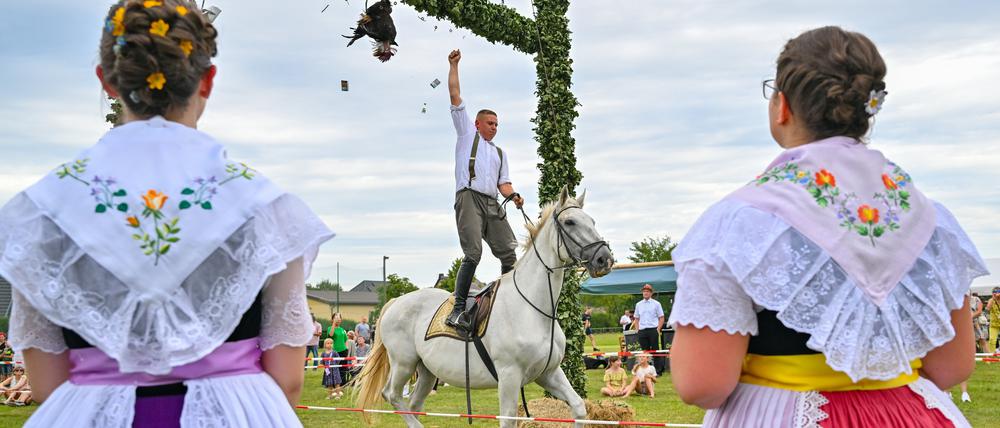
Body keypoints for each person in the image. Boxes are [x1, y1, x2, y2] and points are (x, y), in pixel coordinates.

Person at [0, 2, 335, 425]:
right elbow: (287, 379)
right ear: (207, 80)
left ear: (107, 80)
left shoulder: (42, 211)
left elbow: (47, 383)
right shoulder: (264, 206)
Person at [667, 26, 986, 427]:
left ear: (782, 106)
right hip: (910, 413)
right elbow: (951, 367)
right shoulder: (933, 221)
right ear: (866, 112)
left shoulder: (737, 225)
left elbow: (703, 384)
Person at [444, 49, 525, 331]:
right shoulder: (467, 134)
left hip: (492, 202)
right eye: (491, 123)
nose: (495, 127)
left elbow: (504, 183)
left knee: (509, 253)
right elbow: (455, 95)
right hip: (468, 197)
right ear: (478, 123)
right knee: (473, 254)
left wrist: (513, 195)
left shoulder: (500, 153)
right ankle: (457, 309)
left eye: (498, 124)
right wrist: (453, 65)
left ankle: (506, 302)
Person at [633, 284, 665, 375]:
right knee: (645, 352)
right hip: (642, 331)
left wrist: (658, 329)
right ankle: (646, 370)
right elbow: (636, 318)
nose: (645, 293)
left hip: (653, 330)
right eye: (644, 291)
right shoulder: (638, 304)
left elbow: (661, 317)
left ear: (651, 293)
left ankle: (658, 371)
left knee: (655, 350)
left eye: (647, 291)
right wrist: (637, 330)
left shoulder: (656, 304)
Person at [329, 313, 350, 386]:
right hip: (335, 351)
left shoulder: (342, 329)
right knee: (335, 368)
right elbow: (331, 335)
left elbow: (346, 339)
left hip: (343, 351)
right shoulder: (330, 328)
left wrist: (346, 348)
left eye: (339, 318)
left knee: (343, 368)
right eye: (335, 318)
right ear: (332, 319)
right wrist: (334, 324)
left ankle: (343, 383)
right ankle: (335, 383)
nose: (338, 319)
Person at [988, 288, 1000, 353]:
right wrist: (993, 299)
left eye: (997, 292)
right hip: (994, 325)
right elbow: (988, 309)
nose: (995, 294)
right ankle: (991, 356)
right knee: (992, 340)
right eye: (993, 293)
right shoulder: (991, 300)